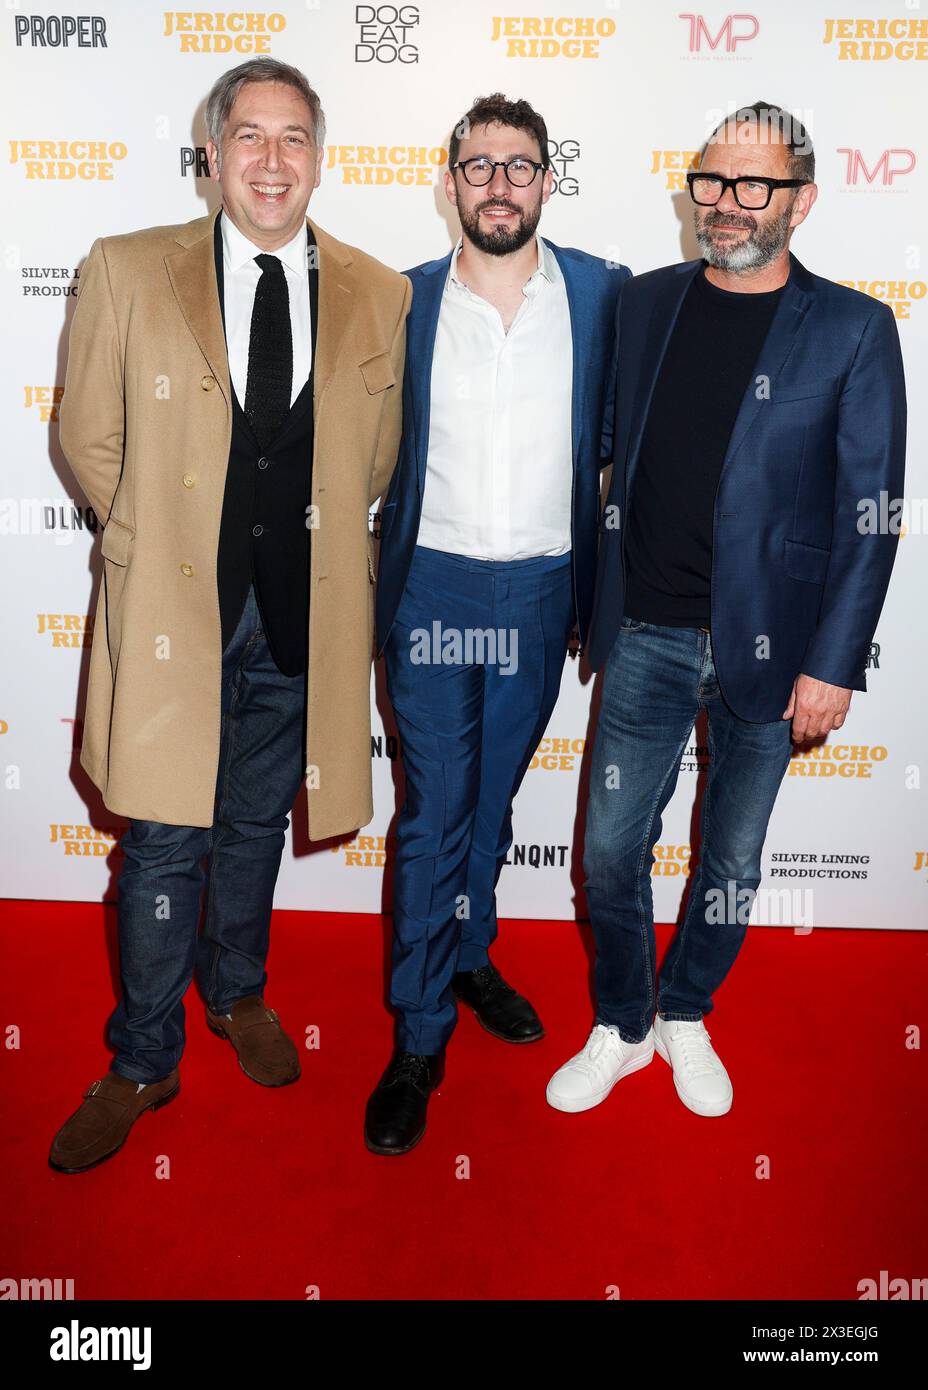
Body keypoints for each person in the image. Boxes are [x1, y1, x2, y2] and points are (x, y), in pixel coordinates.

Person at [50, 56, 410, 1173]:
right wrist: (151, 544)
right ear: (212, 152)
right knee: (164, 842)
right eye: (247, 135)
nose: (270, 158)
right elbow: (85, 438)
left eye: (292, 136)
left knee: (256, 824)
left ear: (318, 155)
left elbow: (375, 461)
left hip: (299, 623)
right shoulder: (126, 269)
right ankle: (143, 1055)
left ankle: (238, 992)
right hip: (172, 619)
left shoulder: (377, 290)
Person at [547, 101, 906, 1119]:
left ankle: (687, 1008)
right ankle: (622, 1021)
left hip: (779, 644)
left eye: (752, 185)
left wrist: (834, 662)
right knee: (612, 850)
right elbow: (607, 459)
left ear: (802, 200)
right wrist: (594, 604)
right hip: (649, 631)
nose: (726, 204)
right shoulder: (644, 304)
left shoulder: (852, 327)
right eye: (710, 180)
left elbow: (867, 513)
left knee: (732, 858)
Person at [366, 93, 630, 1155]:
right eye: (479, 168)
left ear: (547, 181)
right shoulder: (403, 301)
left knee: (491, 795)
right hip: (431, 584)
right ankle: (418, 1033)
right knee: (433, 809)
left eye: (518, 168)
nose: (499, 186)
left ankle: (470, 952)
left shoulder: (605, 297)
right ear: (448, 181)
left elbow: (627, 436)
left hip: (541, 587)